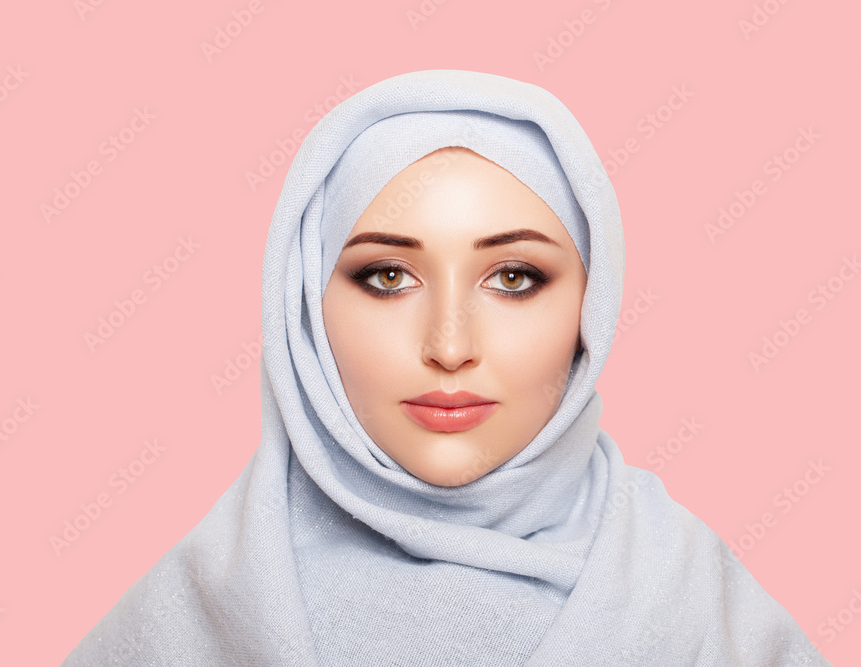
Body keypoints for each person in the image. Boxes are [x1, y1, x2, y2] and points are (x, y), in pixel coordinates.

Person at [61, 70, 829, 666]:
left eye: (515, 277)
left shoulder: (695, 596)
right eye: (387, 276)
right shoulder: (197, 608)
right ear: (304, 311)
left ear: (591, 306)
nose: (451, 344)